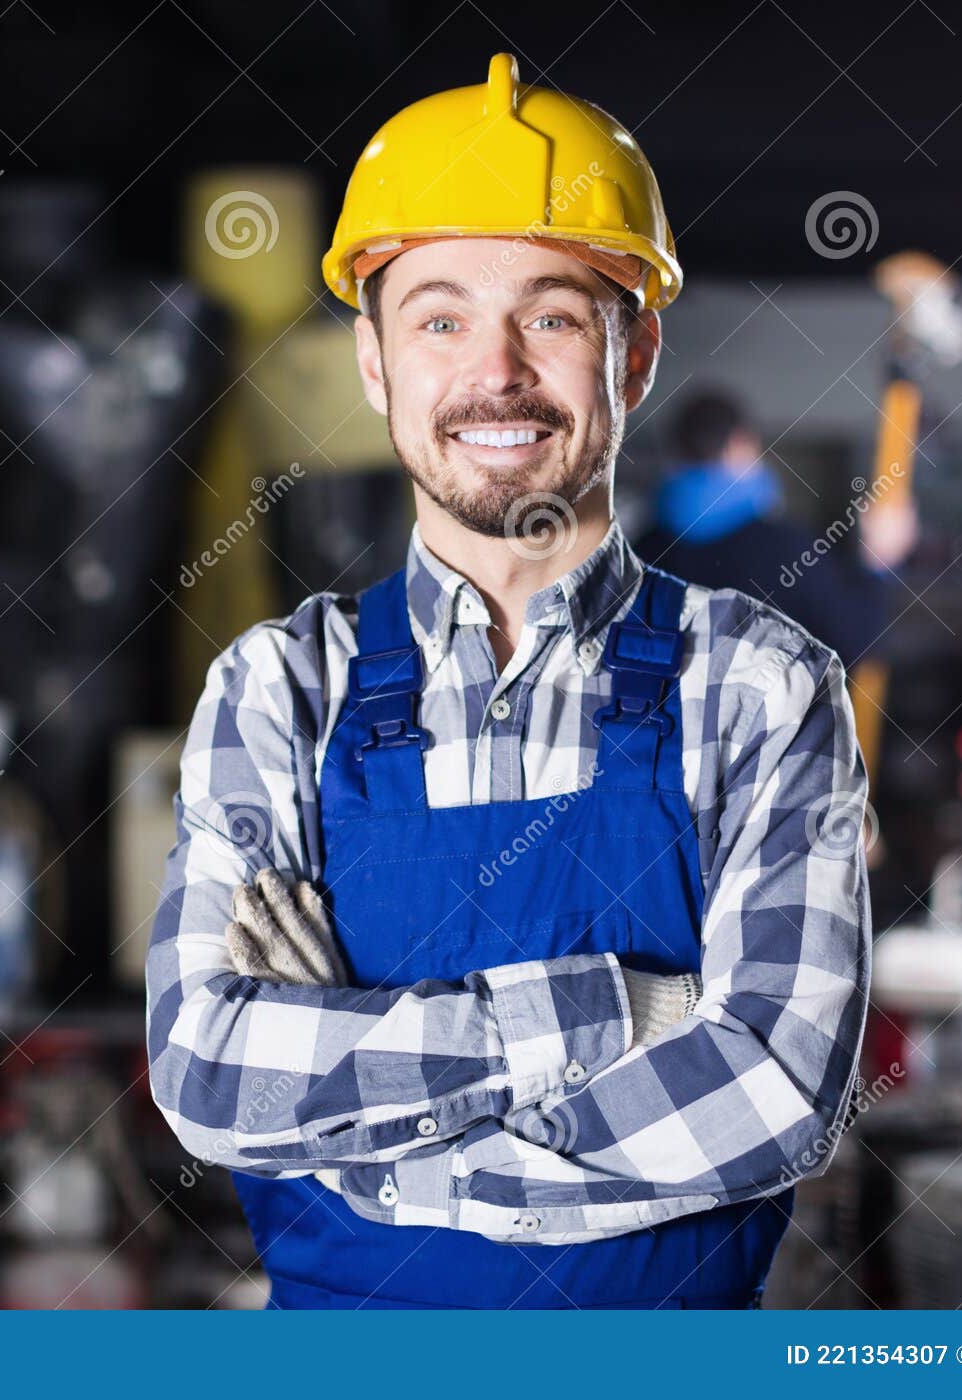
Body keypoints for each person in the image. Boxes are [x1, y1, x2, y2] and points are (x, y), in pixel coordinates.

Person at [146, 53, 871, 1310]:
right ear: (375, 366)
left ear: (631, 355)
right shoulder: (279, 687)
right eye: (436, 317)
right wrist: (621, 1009)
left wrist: (376, 1147)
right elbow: (214, 1074)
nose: (495, 373)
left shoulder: (761, 688)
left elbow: (772, 1090)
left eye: (549, 314)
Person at [635, 390, 917, 672]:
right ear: (739, 444)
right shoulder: (789, 551)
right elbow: (859, 645)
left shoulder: (639, 552)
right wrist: (880, 560)